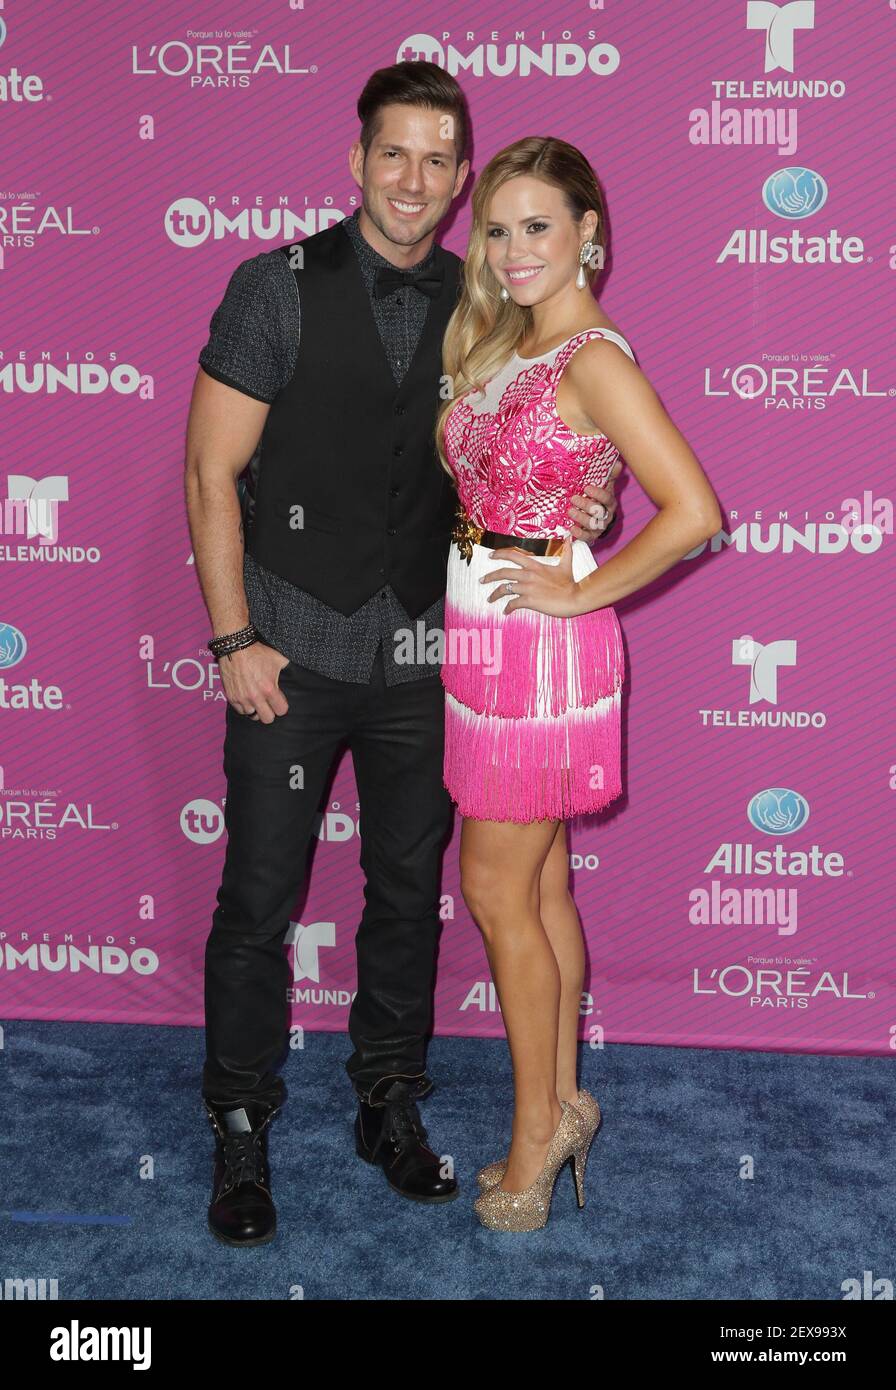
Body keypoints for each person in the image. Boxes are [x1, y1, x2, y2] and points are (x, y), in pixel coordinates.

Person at [184, 63, 620, 1246]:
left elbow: (545, 450)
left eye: (439, 159)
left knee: (406, 897)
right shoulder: (272, 287)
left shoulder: (492, 308)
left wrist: (586, 516)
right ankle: (239, 1120)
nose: (414, 180)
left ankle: (388, 1100)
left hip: (434, 662)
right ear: (356, 161)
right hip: (287, 647)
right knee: (257, 902)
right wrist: (234, 637)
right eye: (394, 153)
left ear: (462, 177)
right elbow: (209, 472)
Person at [434, 138, 723, 1232]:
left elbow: (693, 510)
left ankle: (531, 1141)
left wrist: (573, 592)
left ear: (587, 232)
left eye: (537, 226)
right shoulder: (509, 337)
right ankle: (557, 1103)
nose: (512, 249)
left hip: (535, 649)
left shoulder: (590, 356)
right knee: (539, 886)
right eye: (497, 228)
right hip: (477, 629)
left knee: (500, 893)